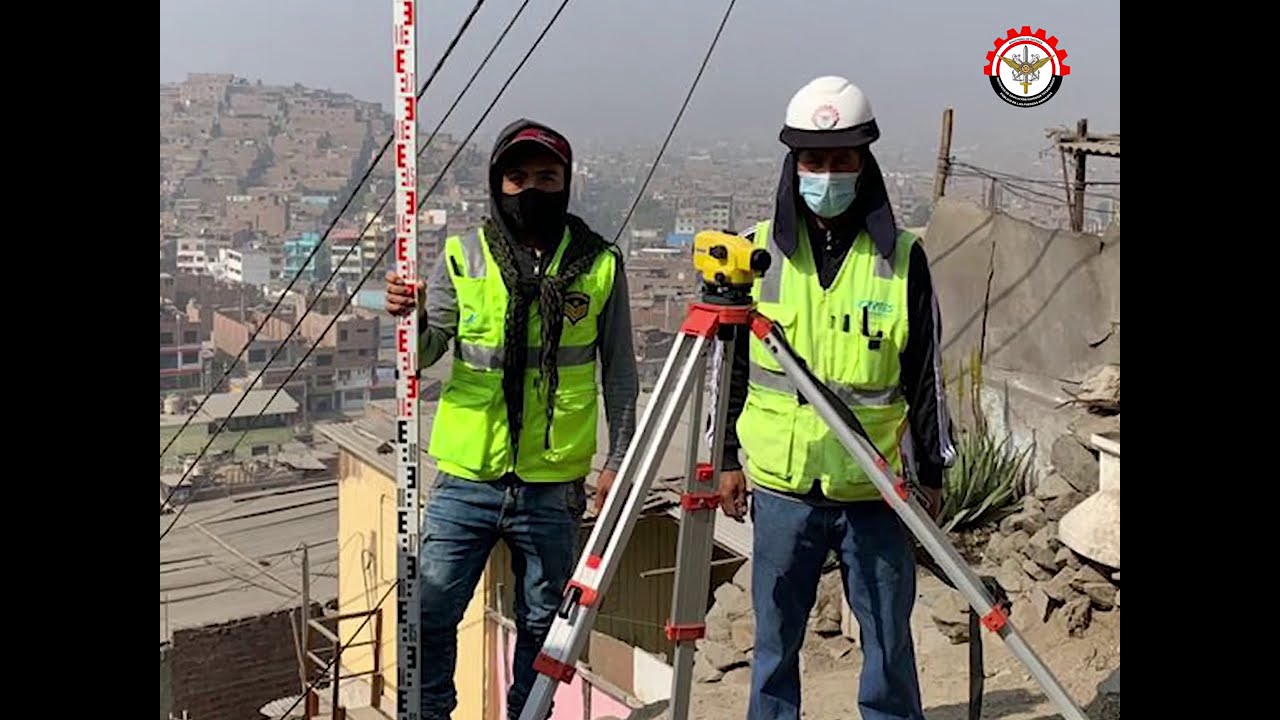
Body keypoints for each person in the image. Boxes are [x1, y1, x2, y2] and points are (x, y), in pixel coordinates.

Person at [714, 76, 957, 720]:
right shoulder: (756, 252)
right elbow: (728, 369)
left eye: (842, 159)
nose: (827, 174)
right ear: (793, 164)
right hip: (782, 486)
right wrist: (725, 459)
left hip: (873, 488)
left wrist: (932, 472)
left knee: (887, 643)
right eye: (814, 160)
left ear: (864, 162)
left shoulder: (903, 259)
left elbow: (925, 376)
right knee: (774, 644)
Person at [385, 119, 639, 720]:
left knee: (545, 627)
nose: (530, 189)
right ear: (497, 184)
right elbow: (424, 354)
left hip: (552, 482)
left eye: (545, 177)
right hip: (468, 478)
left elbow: (619, 371)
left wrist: (619, 461)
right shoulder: (464, 255)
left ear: (566, 183)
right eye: (517, 177)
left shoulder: (600, 264)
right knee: (428, 612)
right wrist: (409, 317)